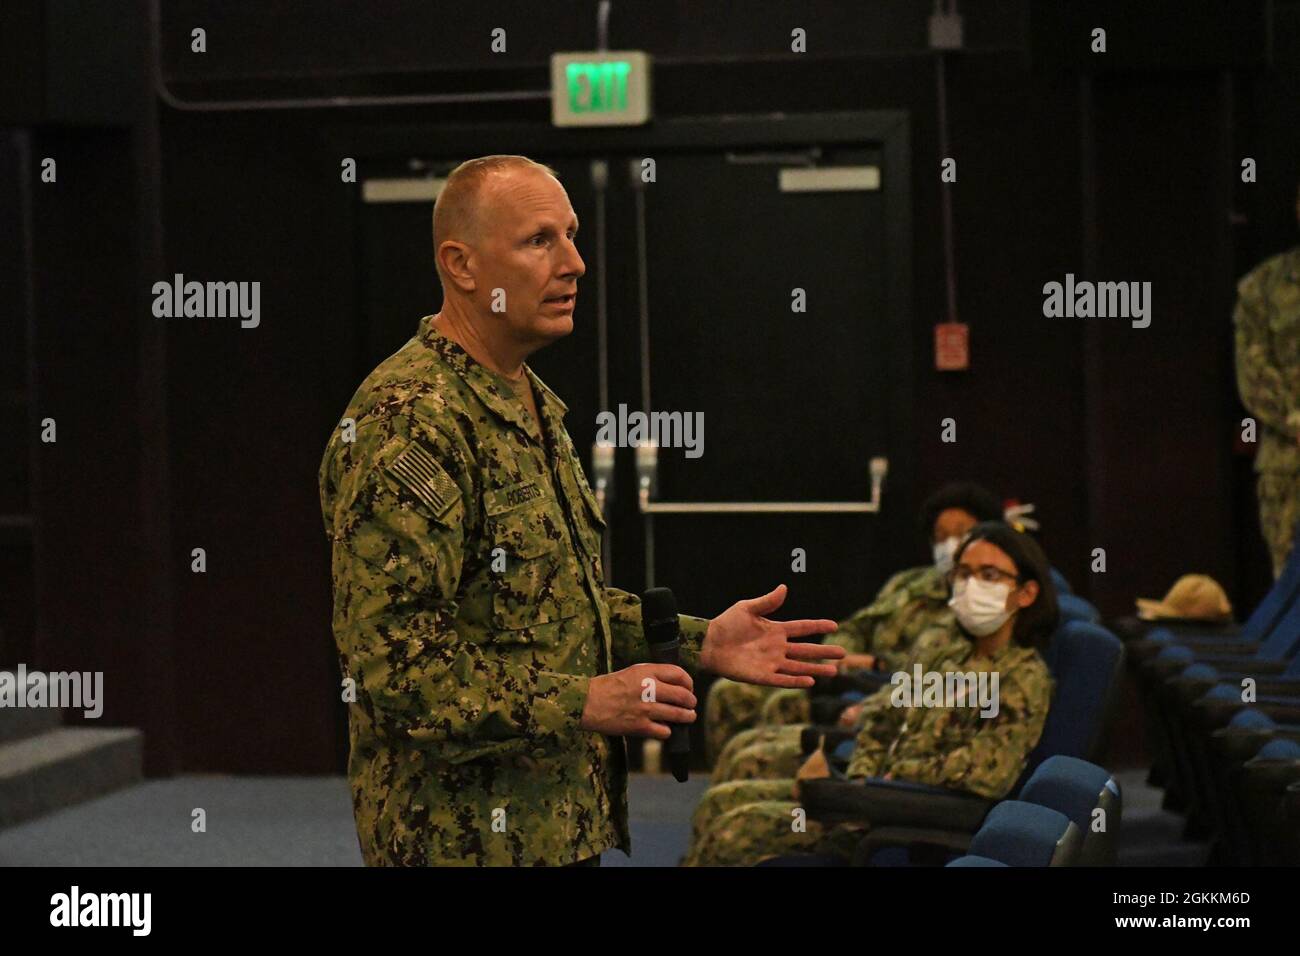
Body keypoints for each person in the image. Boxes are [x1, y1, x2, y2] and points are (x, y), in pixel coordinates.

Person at [318, 155, 844, 866]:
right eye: (540, 240)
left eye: (570, 235)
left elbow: (548, 607)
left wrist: (700, 643)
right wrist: (585, 702)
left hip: (556, 824)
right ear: (462, 265)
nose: (575, 263)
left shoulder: (527, 401)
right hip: (460, 840)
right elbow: (393, 669)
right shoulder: (410, 421)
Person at [682, 522, 1057, 866]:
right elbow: (883, 718)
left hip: (902, 814)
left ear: (1026, 593)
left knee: (732, 832)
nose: (972, 585)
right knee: (718, 803)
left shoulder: (1022, 677)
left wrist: (877, 785)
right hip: (865, 794)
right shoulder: (943, 650)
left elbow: (987, 773)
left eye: (989, 575)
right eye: (964, 573)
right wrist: (860, 778)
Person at [704, 482, 1004, 763]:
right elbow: (855, 626)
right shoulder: (908, 584)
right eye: (940, 537)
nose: (949, 545)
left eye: (961, 533)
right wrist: (841, 655)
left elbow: (940, 670)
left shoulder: (981, 604)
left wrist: (875, 663)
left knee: (782, 704)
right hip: (839, 675)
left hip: (882, 692)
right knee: (729, 694)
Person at [1234, 182, 1300, 578]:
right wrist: (1296, 421)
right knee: (1294, 595)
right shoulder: (1264, 286)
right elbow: (1253, 375)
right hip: (1291, 465)